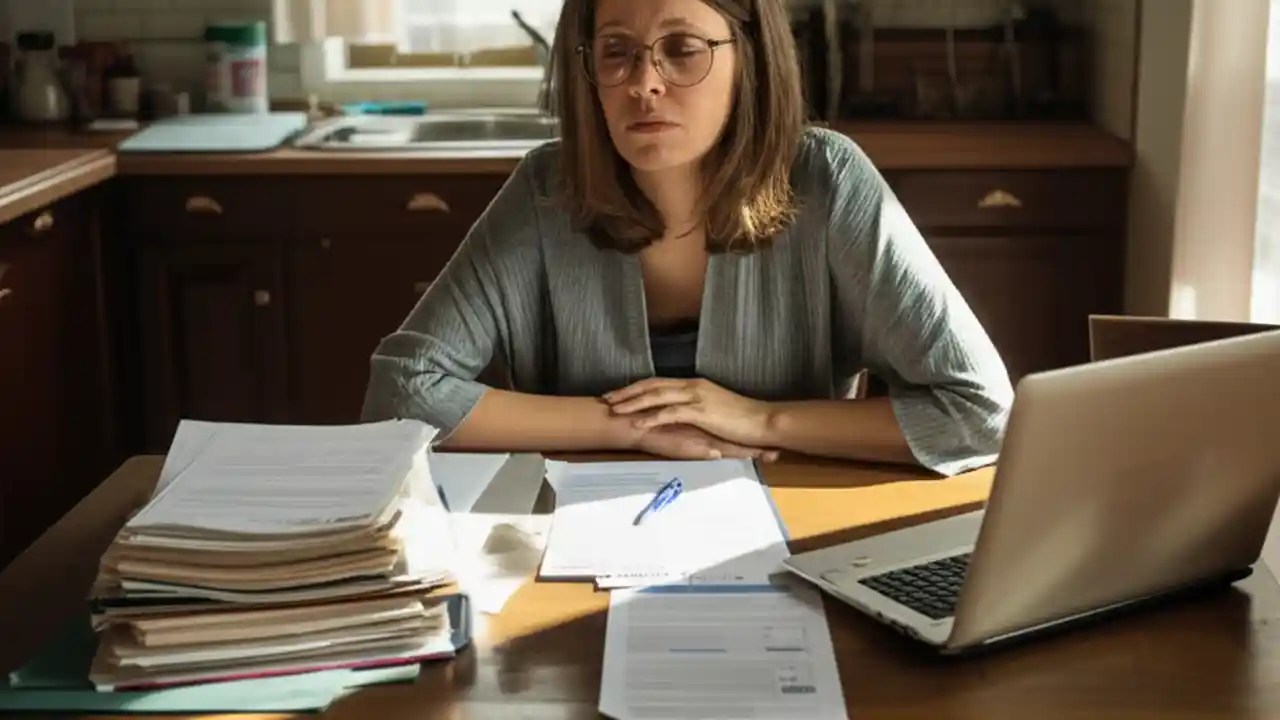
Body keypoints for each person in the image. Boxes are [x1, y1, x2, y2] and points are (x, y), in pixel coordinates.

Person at [361, 0, 1013, 476]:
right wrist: (635, 427)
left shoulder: (829, 179)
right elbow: (403, 393)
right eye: (617, 51)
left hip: (799, 527)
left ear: (748, 58)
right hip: (573, 543)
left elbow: (979, 412)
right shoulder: (545, 188)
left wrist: (758, 420)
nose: (644, 82)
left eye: (683, 49)